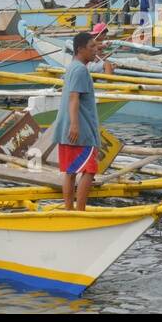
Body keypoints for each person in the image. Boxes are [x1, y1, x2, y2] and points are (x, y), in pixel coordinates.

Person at [53, 32, 102, 211]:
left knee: (71, 171)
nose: (95, 50)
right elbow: (74, 98)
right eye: (92, 47)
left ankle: (69, 210)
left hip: (66, 128)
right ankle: (80, 211)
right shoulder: (80, 69)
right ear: (81, 49)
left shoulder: (73, 66)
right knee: (89, 170)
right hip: (81, 130)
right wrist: (75, 125)